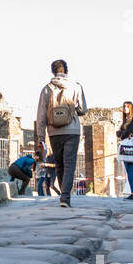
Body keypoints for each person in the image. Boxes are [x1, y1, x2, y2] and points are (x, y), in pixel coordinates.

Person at [35, 59, 87, 208]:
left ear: (52, 72)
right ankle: (65, 197)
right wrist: (72, 111)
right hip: (72, 130)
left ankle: (63, 195)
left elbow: (41, 115)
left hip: (54, 132)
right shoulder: (76, 87)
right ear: (66, 71)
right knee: (70, 164)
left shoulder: (46, 89)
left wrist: (40, 137)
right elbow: (83, 109)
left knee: (59, 165)